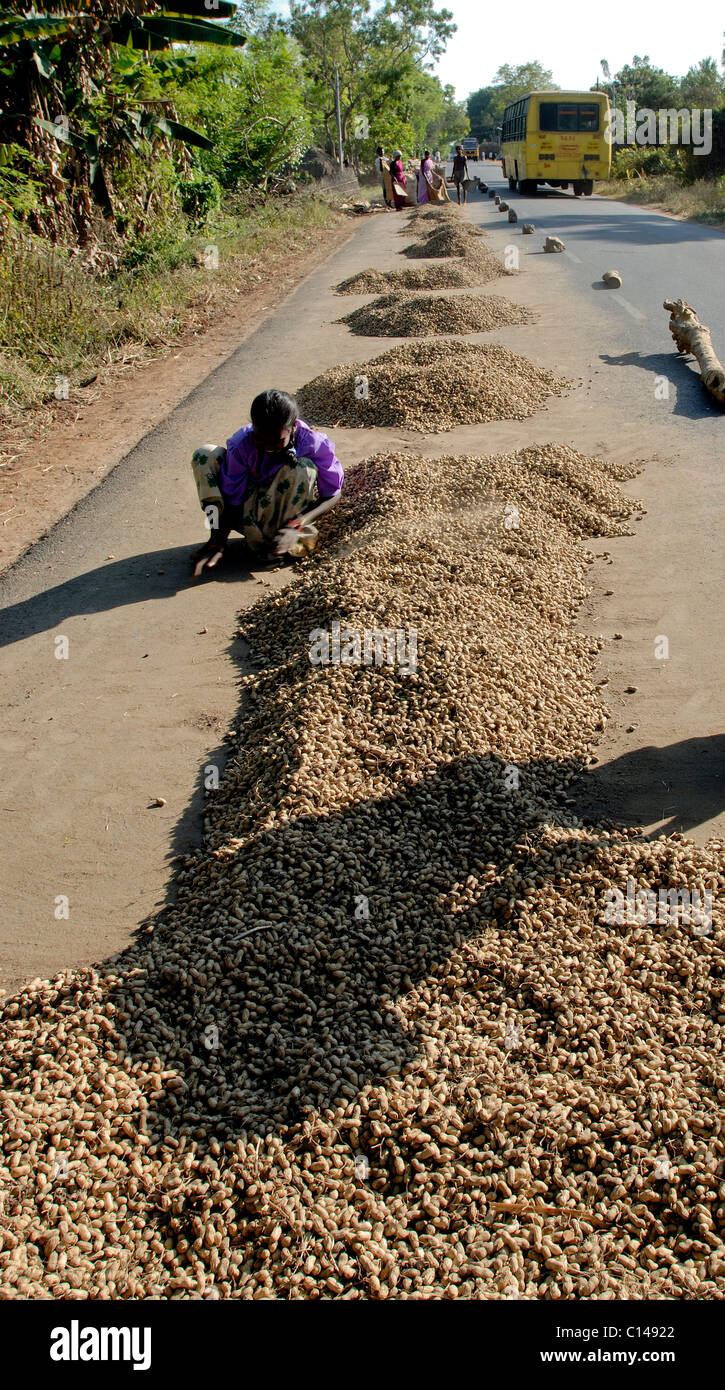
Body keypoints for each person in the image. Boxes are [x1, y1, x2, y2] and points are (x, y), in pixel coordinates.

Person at [190, 390, 343, 573]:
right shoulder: (242, 444)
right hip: (248, 512)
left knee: (302, 467)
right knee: (205, 455)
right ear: (253, 426)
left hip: (285, 523)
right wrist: (218, 541)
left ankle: (275, 544)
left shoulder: (314, 444)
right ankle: (231, 542)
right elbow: (232, 500)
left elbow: (333, 493)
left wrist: (298, 523)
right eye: (259, 439)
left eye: (277, 441)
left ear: (293, 426)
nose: (268, 448)